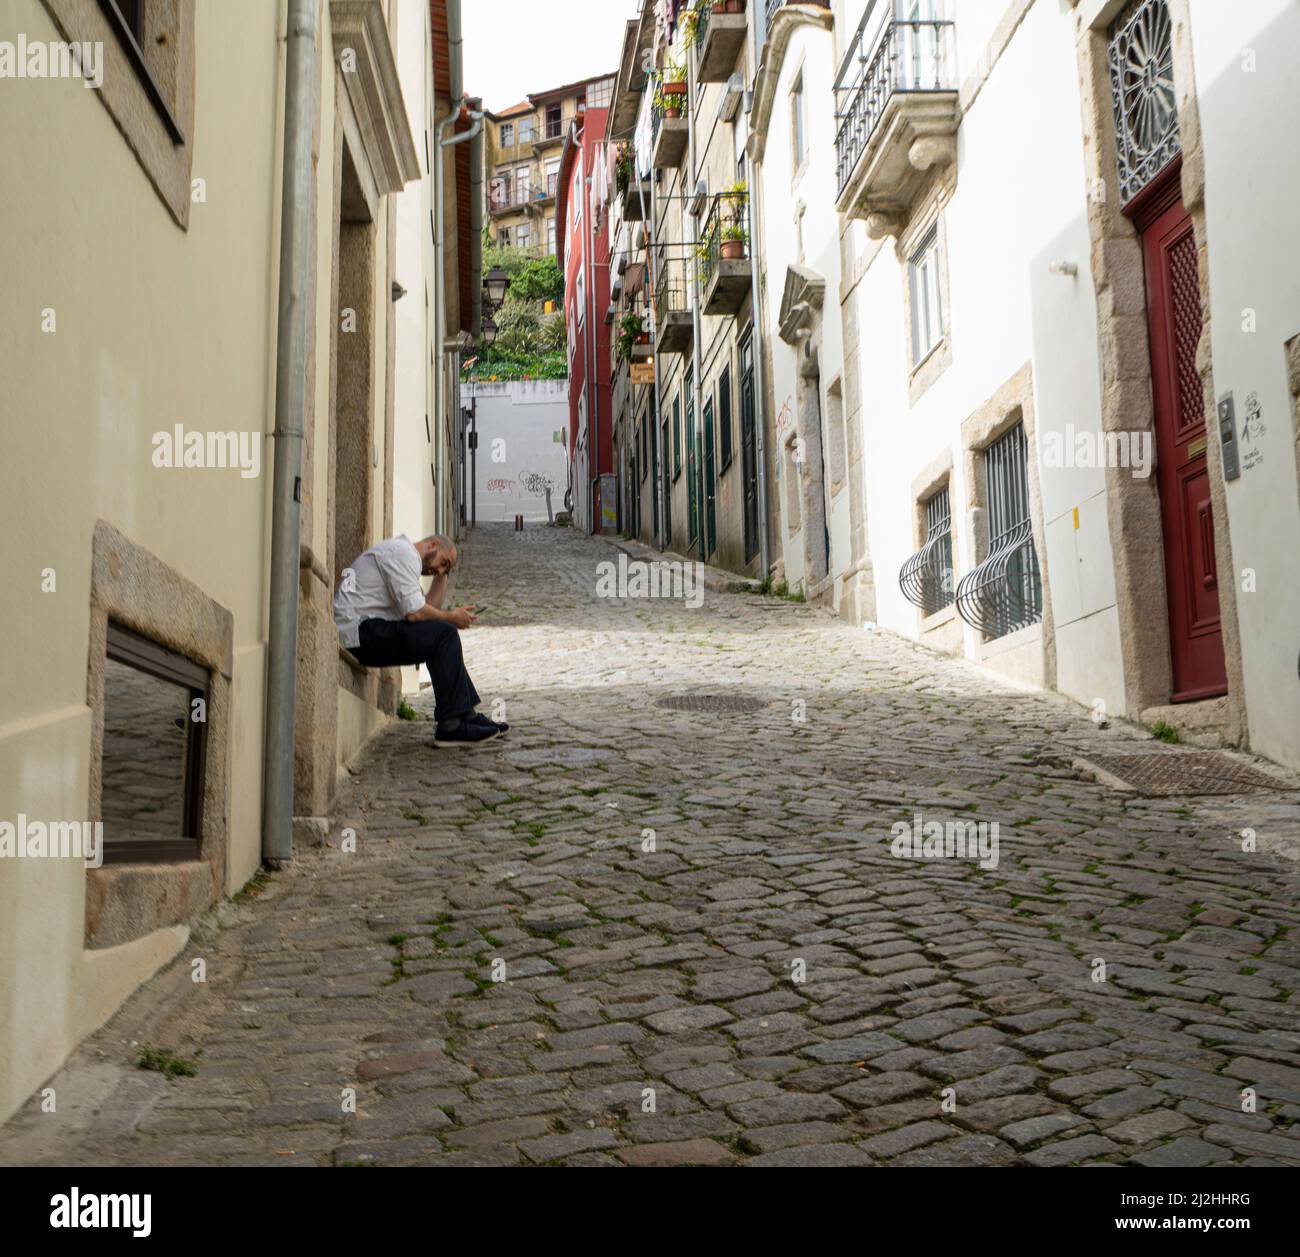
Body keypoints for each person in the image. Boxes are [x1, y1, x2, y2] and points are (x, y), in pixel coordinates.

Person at [333, 534, 506, 747]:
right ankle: (451, 726)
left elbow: (427, 611)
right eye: (444, 563)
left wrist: (443, 576)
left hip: (367, 631)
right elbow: (416, 614)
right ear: (432, 545)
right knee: (444, 634)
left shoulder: (406, 558)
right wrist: (451, 617)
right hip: (359, 633)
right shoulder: (403, 554)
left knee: (440, 633)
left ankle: (466, 716)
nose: (441, 569)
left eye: (447, 568)